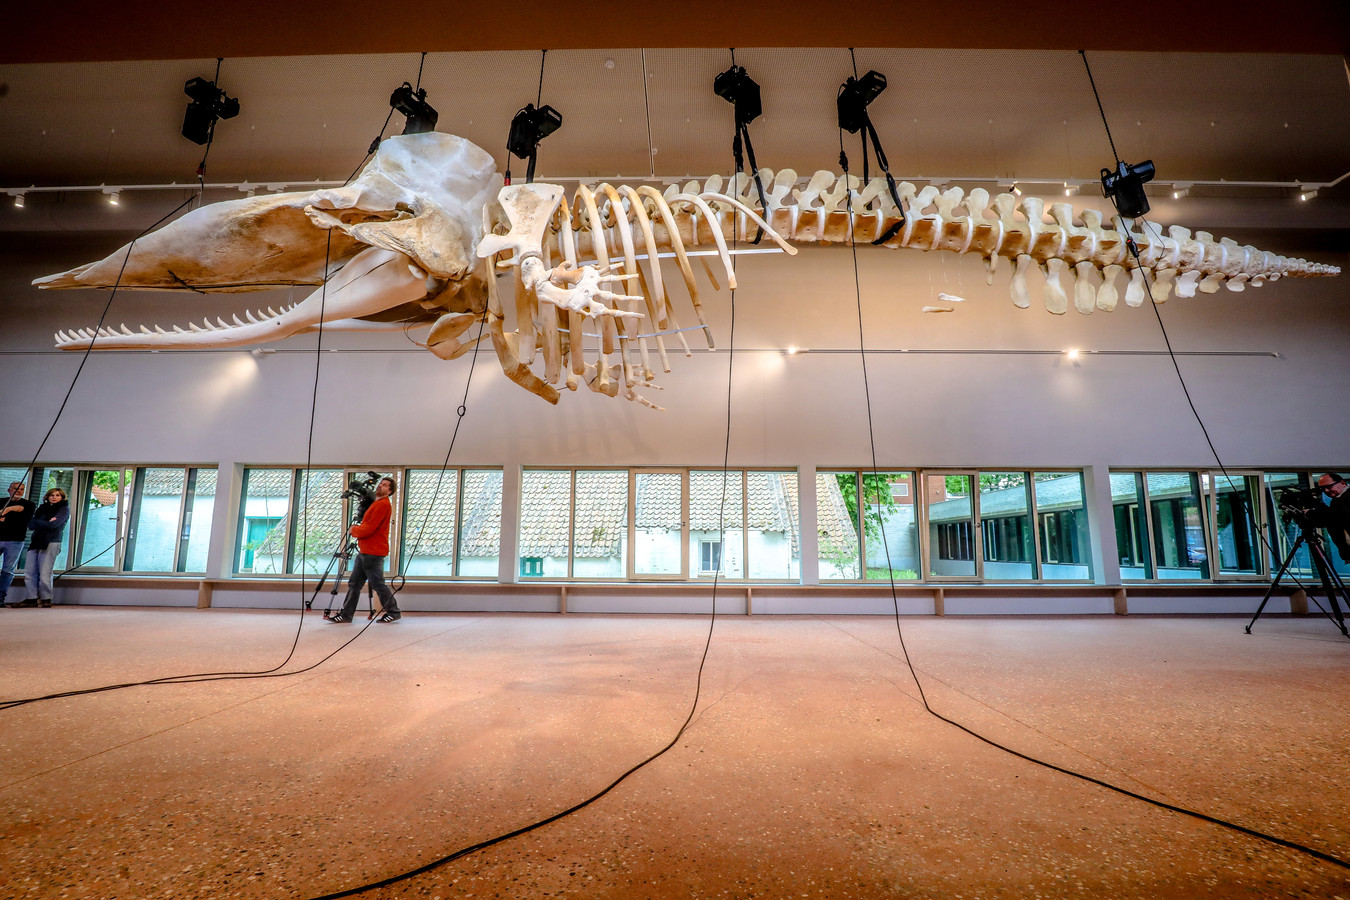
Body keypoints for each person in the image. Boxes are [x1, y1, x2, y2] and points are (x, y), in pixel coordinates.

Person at [327, 476, 401, 623]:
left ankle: (393, 611)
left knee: (377, 584)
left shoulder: (383, 505)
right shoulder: (376, 503)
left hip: (373, 552)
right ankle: (347, 614)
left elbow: (369, 529)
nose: (380, 486)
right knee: (354, 584)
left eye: (385, 485)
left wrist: (354, 530)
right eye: (381, 483)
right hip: (365, 551)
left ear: (390, 491)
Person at [15, 487, 69, 608]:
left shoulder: (64, 509)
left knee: (45, 573)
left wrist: (41, 522)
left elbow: (54, 525)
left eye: (57, 495)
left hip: (51, 541)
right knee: (30, 572)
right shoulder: (42, 508)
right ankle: (31, 598)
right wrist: (46, 522)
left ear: (62, 497)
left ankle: (46, 598)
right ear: (47, 497)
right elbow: (31, 524)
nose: (54, 497)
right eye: (52, 495)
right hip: (36, 541)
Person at [0, 481, 36, 605]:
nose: (18, 491)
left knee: (8, 570)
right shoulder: (0, 501)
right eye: (15, 488)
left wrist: (6, 513)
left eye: (21, 489)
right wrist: (13, 510)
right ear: (9, 490)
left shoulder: (29, 505)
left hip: (15, 541)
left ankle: (0, 596)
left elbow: (24, 520)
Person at [1315, 473, 1350, 564]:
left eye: (1329, 486)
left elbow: (1336, 519)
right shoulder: (1338, 500)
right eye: (1323, 489)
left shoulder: (1346, 499)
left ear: (1342, 483)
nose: (1326, 490)